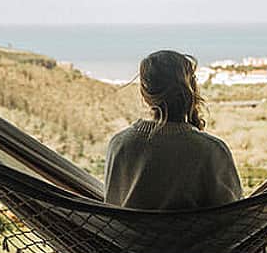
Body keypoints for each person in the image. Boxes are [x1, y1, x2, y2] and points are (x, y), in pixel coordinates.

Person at [104, 50, 243, 210]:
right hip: (194, 236)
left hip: (127, 236)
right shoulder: (211, 150)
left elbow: (112, 209)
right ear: (192, 89)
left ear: (144, 94)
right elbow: (234, 216)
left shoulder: (119, 145)